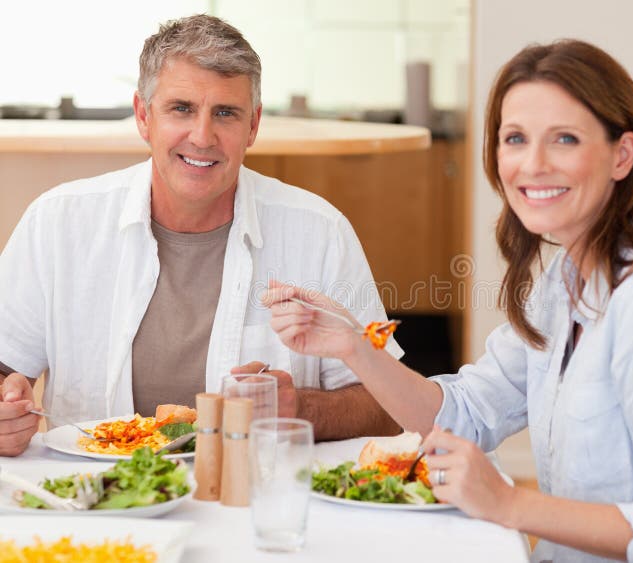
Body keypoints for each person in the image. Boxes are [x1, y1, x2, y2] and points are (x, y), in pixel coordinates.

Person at [264, 40, 633, 561]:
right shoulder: (567, 280)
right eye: (515, 138)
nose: (533, 164)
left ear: (622, 155)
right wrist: (355, 348)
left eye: (564, 139)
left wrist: (508, 503)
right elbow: (464, 413)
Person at [0, 14, 402, 457]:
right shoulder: (57, 224)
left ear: (253, 126)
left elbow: (388, 407)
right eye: (182, 108)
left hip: (252, 499)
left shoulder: (320, 231)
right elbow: (4, 371)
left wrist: (299, 407)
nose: (202, 136)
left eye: (225, 113)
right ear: (142, 115)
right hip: (97, 507)